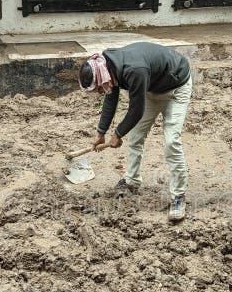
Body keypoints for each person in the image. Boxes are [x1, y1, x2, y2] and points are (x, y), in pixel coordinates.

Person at [78, 42, 192, 222]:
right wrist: (101, 132)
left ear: (101, 76)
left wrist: (117, 134)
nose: (99, 91)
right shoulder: (107, 66)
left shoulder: (134, 70)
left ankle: (178, 196)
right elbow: (110, 99)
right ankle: (131, 181)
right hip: (152, 88)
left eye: (98, 88)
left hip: (176, 88)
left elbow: (136, 110)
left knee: (171, 141)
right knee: (135, 136)